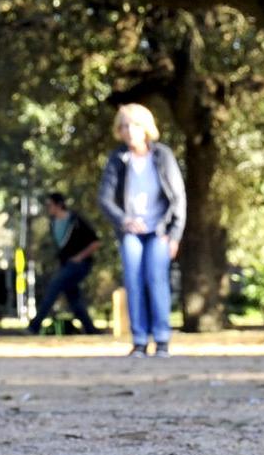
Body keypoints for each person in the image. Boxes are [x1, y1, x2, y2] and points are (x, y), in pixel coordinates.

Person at [97, 103, 186, 357]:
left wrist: (175, 234)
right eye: (123, 126)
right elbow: (104, 198)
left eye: (133, 125)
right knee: (133, 281)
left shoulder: (162, 156)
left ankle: (161, 339)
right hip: (131, 232)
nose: (128, 131)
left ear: (145, 127)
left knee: (156, 279)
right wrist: (124, 220)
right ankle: (138, 340)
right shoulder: (118, 159)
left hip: (160, 230)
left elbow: (178, 198)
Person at [28, 192, 101, 336]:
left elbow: (96, 242)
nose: (48, 208)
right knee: (74, 299)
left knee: (53, 288)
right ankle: (91, 330)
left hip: (79, 265)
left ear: (59, 204)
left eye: (50, 204)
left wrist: (79, 257)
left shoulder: (76, 220)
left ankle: (34, 327)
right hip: (65, 265)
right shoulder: (53, 222)